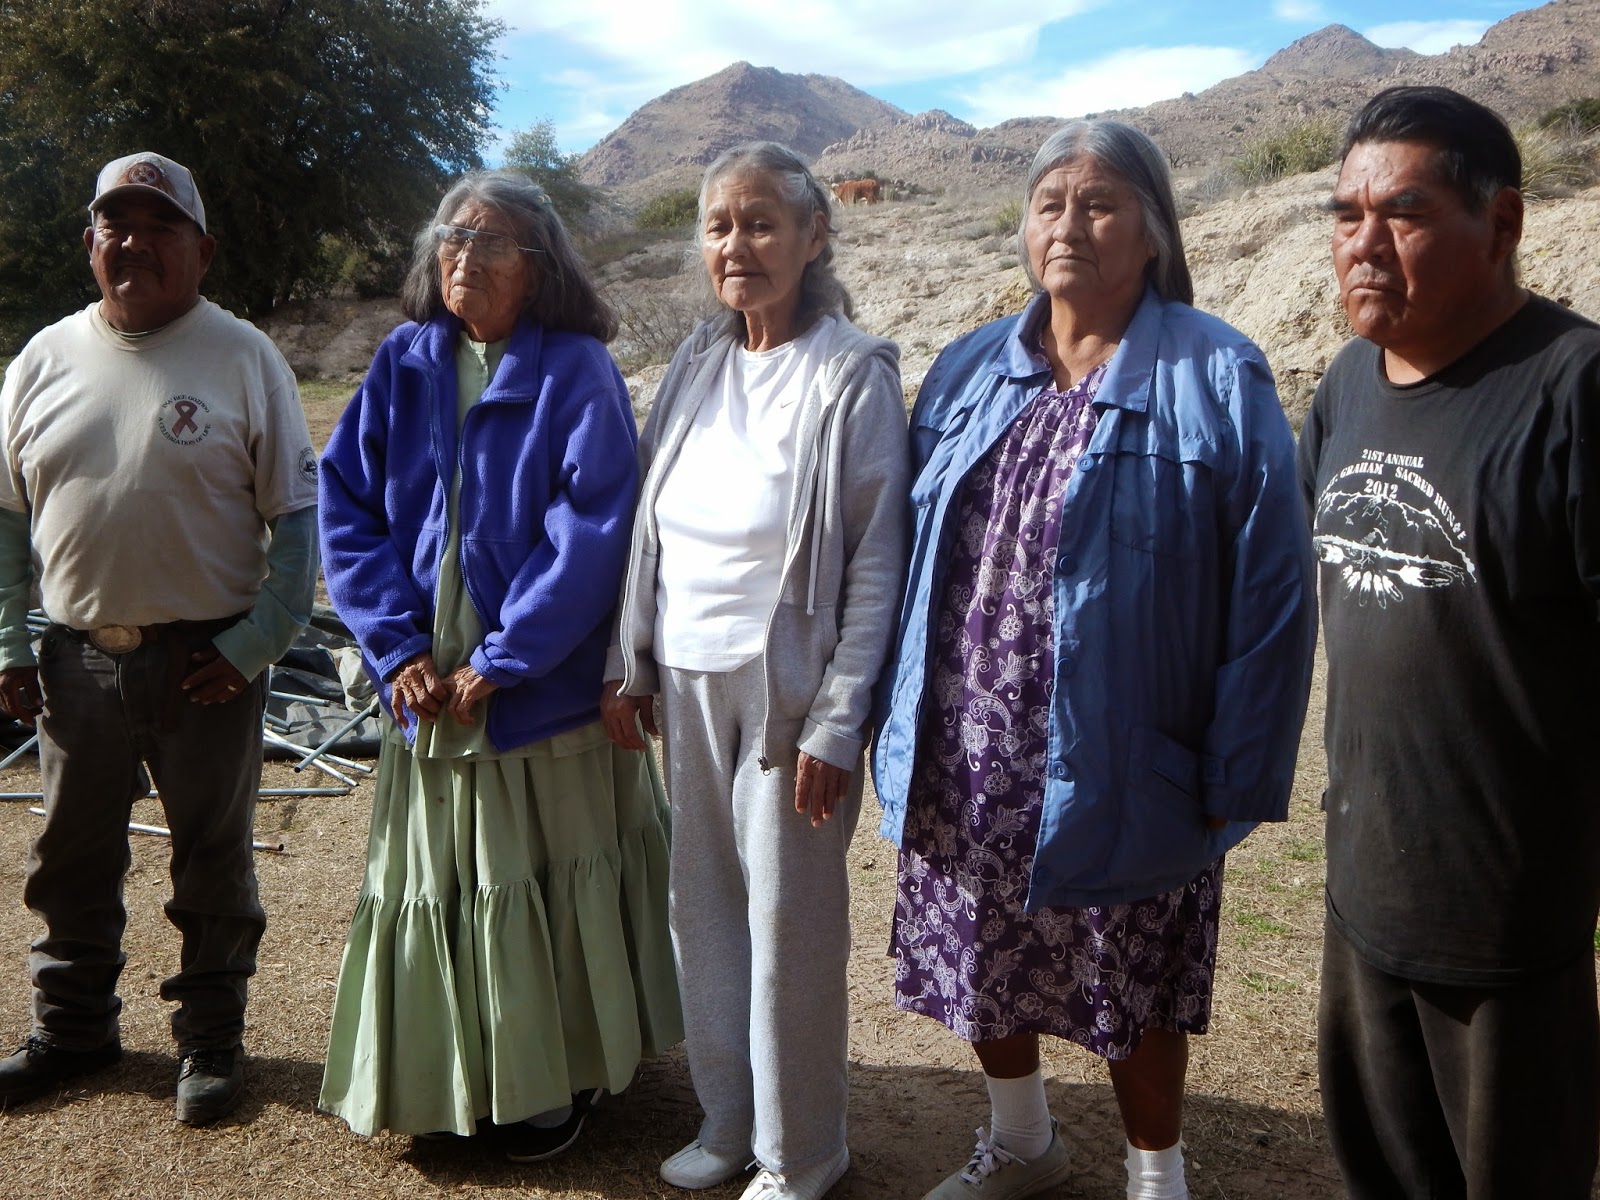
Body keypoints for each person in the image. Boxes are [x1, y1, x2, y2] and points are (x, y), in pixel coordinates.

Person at [872, 120, 1316, 1200]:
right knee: (983, 956)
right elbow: (904, 554)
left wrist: (1237, 770)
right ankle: (1021, 1145)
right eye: (1049, 203)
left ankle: (1153, 1175)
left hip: (1124, 744)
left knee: (1131, 972)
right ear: (1024, 227)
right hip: (970, 743)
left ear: (1154, 232)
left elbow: (1271, 590)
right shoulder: (973, 365)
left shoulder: (1216, 371)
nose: (1069, 224)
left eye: (1101, 201)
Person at [317, 170, 681, 1160]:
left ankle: (547, 1084)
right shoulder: (404, 361)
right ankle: (450, 1083)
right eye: (450, 238)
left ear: (539, 268)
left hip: (535, 688)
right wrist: (396, 649)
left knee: (535, 874)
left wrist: (506, 657)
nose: (462, 258)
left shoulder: (576, 371)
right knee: (440, 877)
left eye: (490, 243)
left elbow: (593, 530)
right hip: (428, 688)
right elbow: (345, 507)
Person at [1299, 85, 1600, 1199]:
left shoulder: (1572, 388)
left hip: (1508, 930)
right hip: (1363, 897)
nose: (1363, 246)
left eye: (1406, 214)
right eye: (1344, 216)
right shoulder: (1342, 389)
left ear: (1503, 223)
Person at [601, 141, 908, 1200]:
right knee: (705, 913)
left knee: (790, 930)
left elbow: (877, 564)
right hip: (683, 676)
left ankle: (801, 1154)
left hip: (785, 697)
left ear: (813, 236)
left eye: (763, 222)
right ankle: (728, 1123)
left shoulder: (849, 372)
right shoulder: (694, 362)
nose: (740, 245)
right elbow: (648, 530)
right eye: (721, 226)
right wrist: (628, 657)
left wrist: (837, 719)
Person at [0, 151, 319, 1124]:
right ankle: (74, 1029)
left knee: (211, 859)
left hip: (206, 663)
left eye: (159, 225)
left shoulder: (243, 357)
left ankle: (210, 1044)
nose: (133, 242)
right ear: (90, 242)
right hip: (73, 656)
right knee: (70, 857)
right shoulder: (40, 360)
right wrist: (11, 644)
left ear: (203, 249)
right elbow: (8, 522)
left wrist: (255, 643)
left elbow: (298, 525)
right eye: (115, 224)